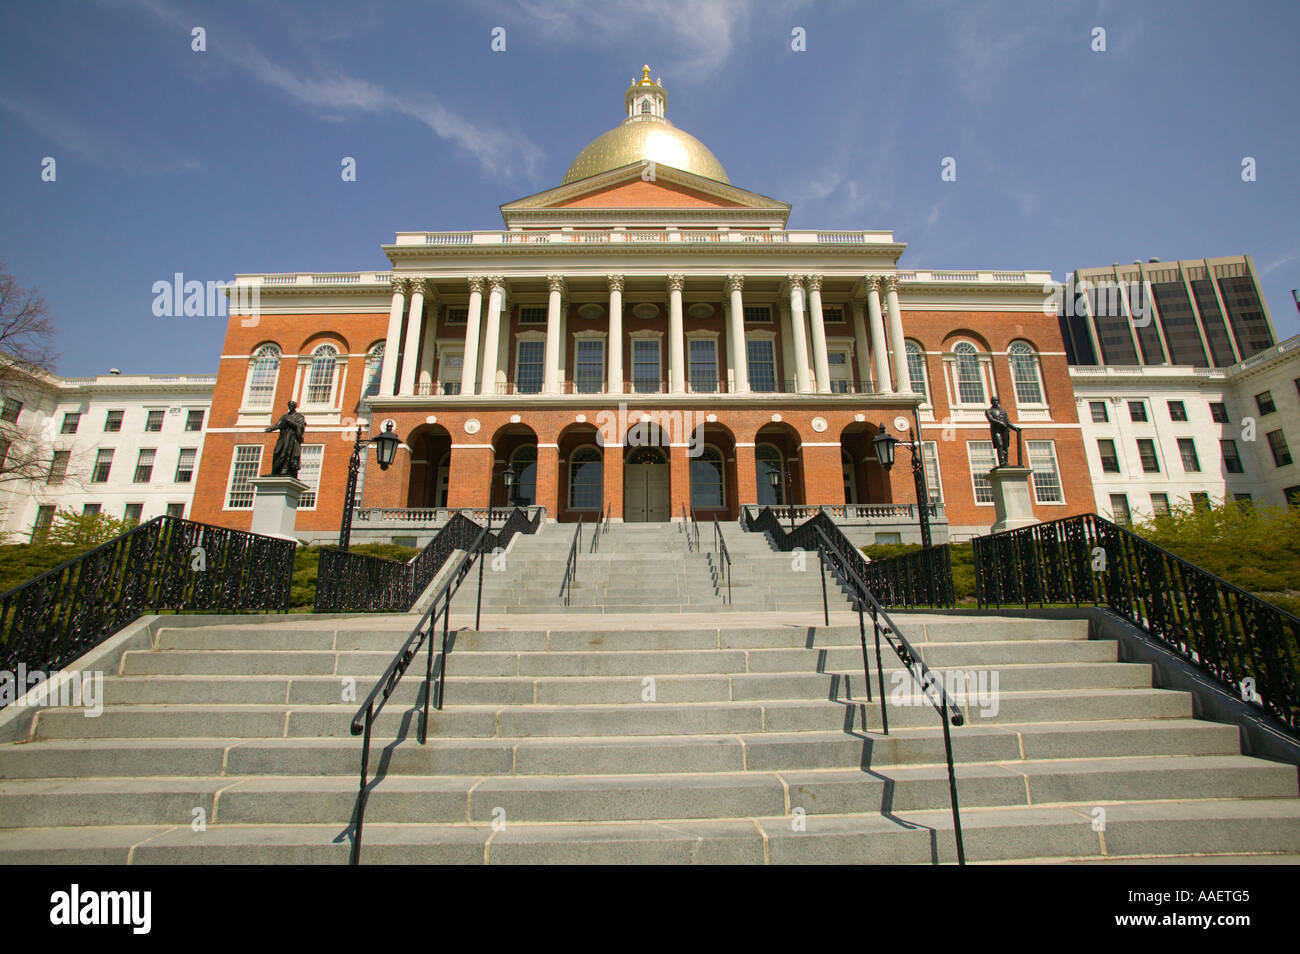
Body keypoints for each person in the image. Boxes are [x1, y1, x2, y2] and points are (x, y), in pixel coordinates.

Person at [265, 400, 306, 478]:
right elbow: (278, 424)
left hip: (292, 439)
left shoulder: (299, 417)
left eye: (292, 405)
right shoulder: (285, 416)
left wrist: (291, 422)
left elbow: (300, 427)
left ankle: (285, 470)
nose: (290, 407)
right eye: (289, 405)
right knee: (277, 452)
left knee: (288, 454)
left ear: (295, 407)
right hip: (283, 438)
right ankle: (275, 471)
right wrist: (270, 429)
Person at [985, 397, 1022, 468]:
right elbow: (991, 419)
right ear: (991, 402)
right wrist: (1001, 423)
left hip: (1004, 430)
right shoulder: (988, 411)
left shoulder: (1003, 411)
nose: (995, 402)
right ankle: (1001, 462)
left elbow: (1008, 422)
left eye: (996, 400)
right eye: (993, 400)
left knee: (1005, 446)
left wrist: (1016, 428)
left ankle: (1006, 462)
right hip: (996, 430)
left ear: (998, 401)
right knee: (999, 444)